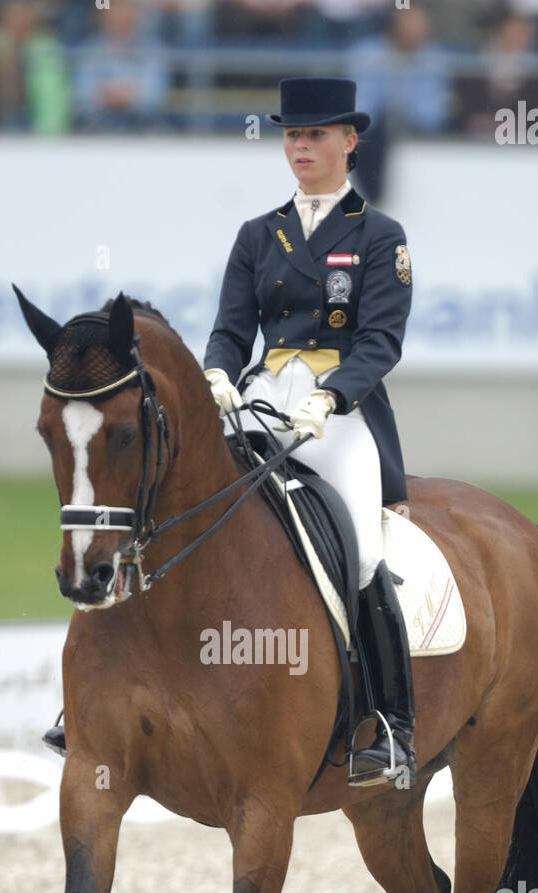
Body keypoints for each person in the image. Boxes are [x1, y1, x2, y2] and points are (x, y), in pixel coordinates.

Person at [203, 76, 416, 787]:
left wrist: (331, 397)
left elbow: (381, 342)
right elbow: (232, 330)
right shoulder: (257, 234)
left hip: (339, 412)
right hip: (262, 396)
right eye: (293, 135)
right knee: (177, 500)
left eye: (315, 134)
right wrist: (215, 374)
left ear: (349, 141)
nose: (301, 146)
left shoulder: (380, 236)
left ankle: (388, 724)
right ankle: (98, 700)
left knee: (357, 554)